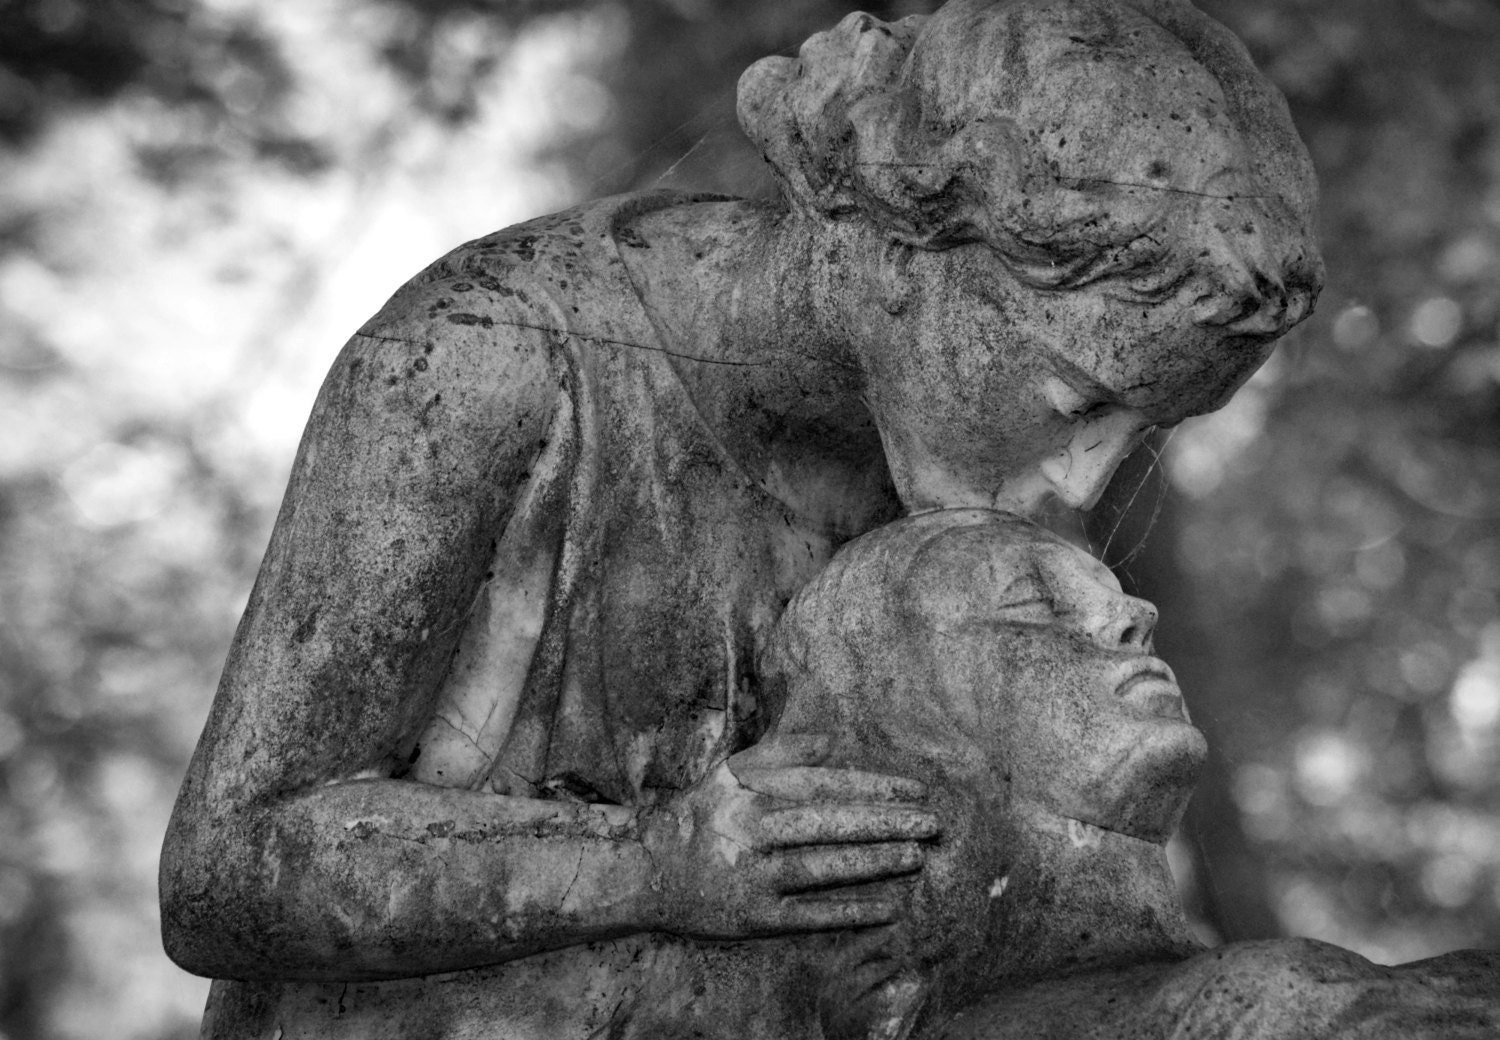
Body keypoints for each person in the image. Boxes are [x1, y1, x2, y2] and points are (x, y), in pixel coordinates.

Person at [159, 0, 1323, 1033]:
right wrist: (646, 866)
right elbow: (225, 867)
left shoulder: (952, 483)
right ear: (906, 246)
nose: (1078, 482)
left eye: (1142, 433)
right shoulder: (480, 359)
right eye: (1076, 397)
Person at [759, 509, 1500, 1039]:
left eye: (1112, 594)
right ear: (901, 712)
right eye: (1033, 601)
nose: (1134, 613)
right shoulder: (1259, 1007)